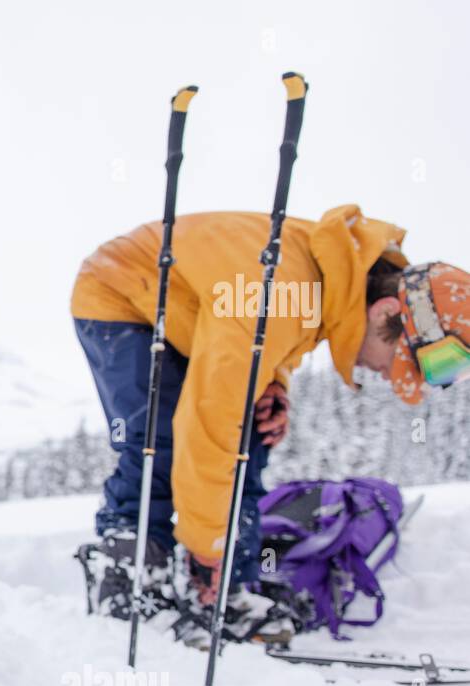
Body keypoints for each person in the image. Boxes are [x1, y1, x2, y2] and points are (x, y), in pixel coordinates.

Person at [70, 204, 469, 646]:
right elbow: (210, 420)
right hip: (125, 292)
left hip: (198, 312)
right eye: (419, 362)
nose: (394, 377)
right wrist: (207, 546)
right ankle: (131, 584)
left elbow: (271, 339)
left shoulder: (331, 285)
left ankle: (227, 592)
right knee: (158, 442)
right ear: (386, 313)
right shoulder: (283, 289)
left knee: (250, 438)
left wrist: (273, 381)